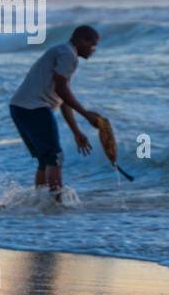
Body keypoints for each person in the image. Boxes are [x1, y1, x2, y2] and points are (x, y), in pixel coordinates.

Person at [9, 25, 102, 198]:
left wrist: (76, 131)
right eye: (93, 45)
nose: (94, 50)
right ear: (82, 40)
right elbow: (61, 89)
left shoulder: (62, 51)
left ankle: (42, 202)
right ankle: (56, 202)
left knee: (45, 160)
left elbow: (63, 98)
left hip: (20, 108)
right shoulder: (68, 55)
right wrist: (86, 114)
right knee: (55, 158)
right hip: (35, 108)